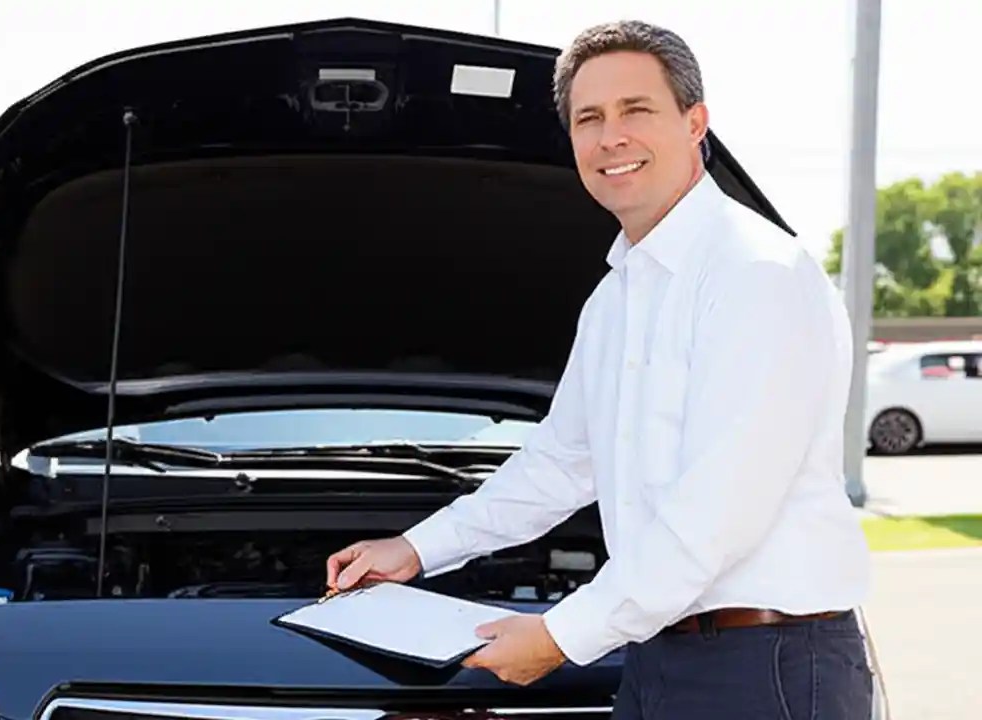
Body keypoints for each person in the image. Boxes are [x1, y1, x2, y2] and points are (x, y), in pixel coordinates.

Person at [325, 19, 874, 720]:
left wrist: (559, 636)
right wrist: (415, 549)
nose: (610, 136)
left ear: (695, 122)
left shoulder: (755, 274)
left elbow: (716, 513)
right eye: (589, 118)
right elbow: (560, 463)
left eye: (636, 110)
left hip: (766, 667)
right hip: (654, 655)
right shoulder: (615, 295)